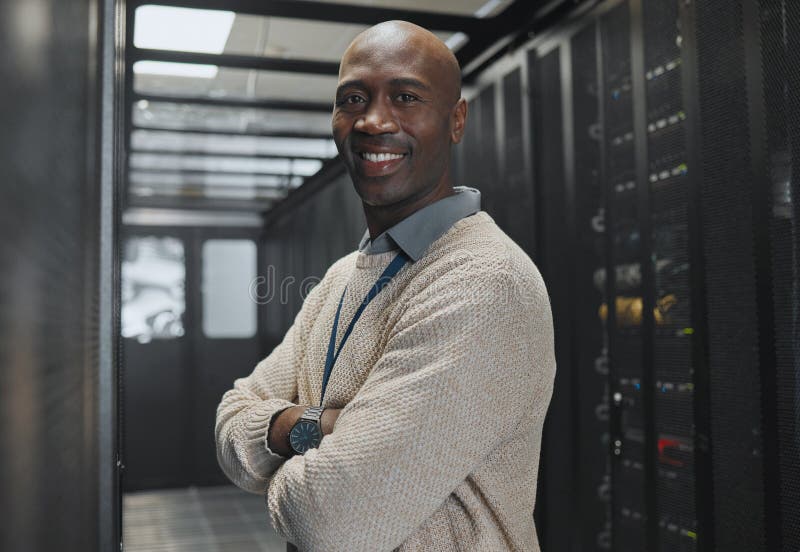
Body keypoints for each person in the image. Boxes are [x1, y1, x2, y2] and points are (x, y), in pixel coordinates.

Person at [215, 20, 556, 552]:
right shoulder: (341, 278)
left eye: (405, 96)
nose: (373, 121)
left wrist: (284, 453)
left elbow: (330, 518)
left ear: (456, 119)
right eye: (353, 98)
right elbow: (231, 422)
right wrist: (317, 427)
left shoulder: (485, 282)